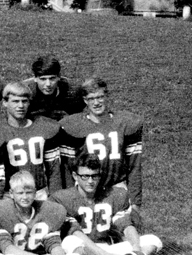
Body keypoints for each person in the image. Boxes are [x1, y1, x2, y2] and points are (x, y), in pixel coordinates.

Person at [51, 155, 162, 255]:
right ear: (75, 176)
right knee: (70, 242)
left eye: (95, 176)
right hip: (85, 249)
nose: (90, 181)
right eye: (85, 176)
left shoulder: (115, 194)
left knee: (153, 240)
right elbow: (76, 233)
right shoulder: (62, 198)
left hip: (107, 247)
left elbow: (126, 226)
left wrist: (136, 249)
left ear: (101, 174)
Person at [0, 170, 82, 255]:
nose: (25, 197)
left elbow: (52, 242)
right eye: (20, 193)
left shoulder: (47, 209)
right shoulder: (1, 210)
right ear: (11, 193)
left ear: (35, 193)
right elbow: (8, 249)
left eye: (29, 192)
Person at [58, 78, 144, 207]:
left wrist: (135, 202)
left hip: (116, 187)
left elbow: (134, 167)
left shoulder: (123, 123)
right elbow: (67, 168)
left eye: (100, 97)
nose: (96, 103)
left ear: (107, 96)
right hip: (86, 189)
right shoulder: (74, 126)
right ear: (85, 100)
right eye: (91, 99)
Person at [0, 81, 63, 198]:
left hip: (38, 192)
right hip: (9, 194)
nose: (20, 106)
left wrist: (56, 197)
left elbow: (54, 169)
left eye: (24, 101)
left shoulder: (43, 127)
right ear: (5, 102)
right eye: (15, 101)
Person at [25, 54, 84, 122]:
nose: (48, 84)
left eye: (52, 78)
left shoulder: (73, 91)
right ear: (35, 78)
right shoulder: (25, 92)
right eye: (43, 79)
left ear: (59, 77)